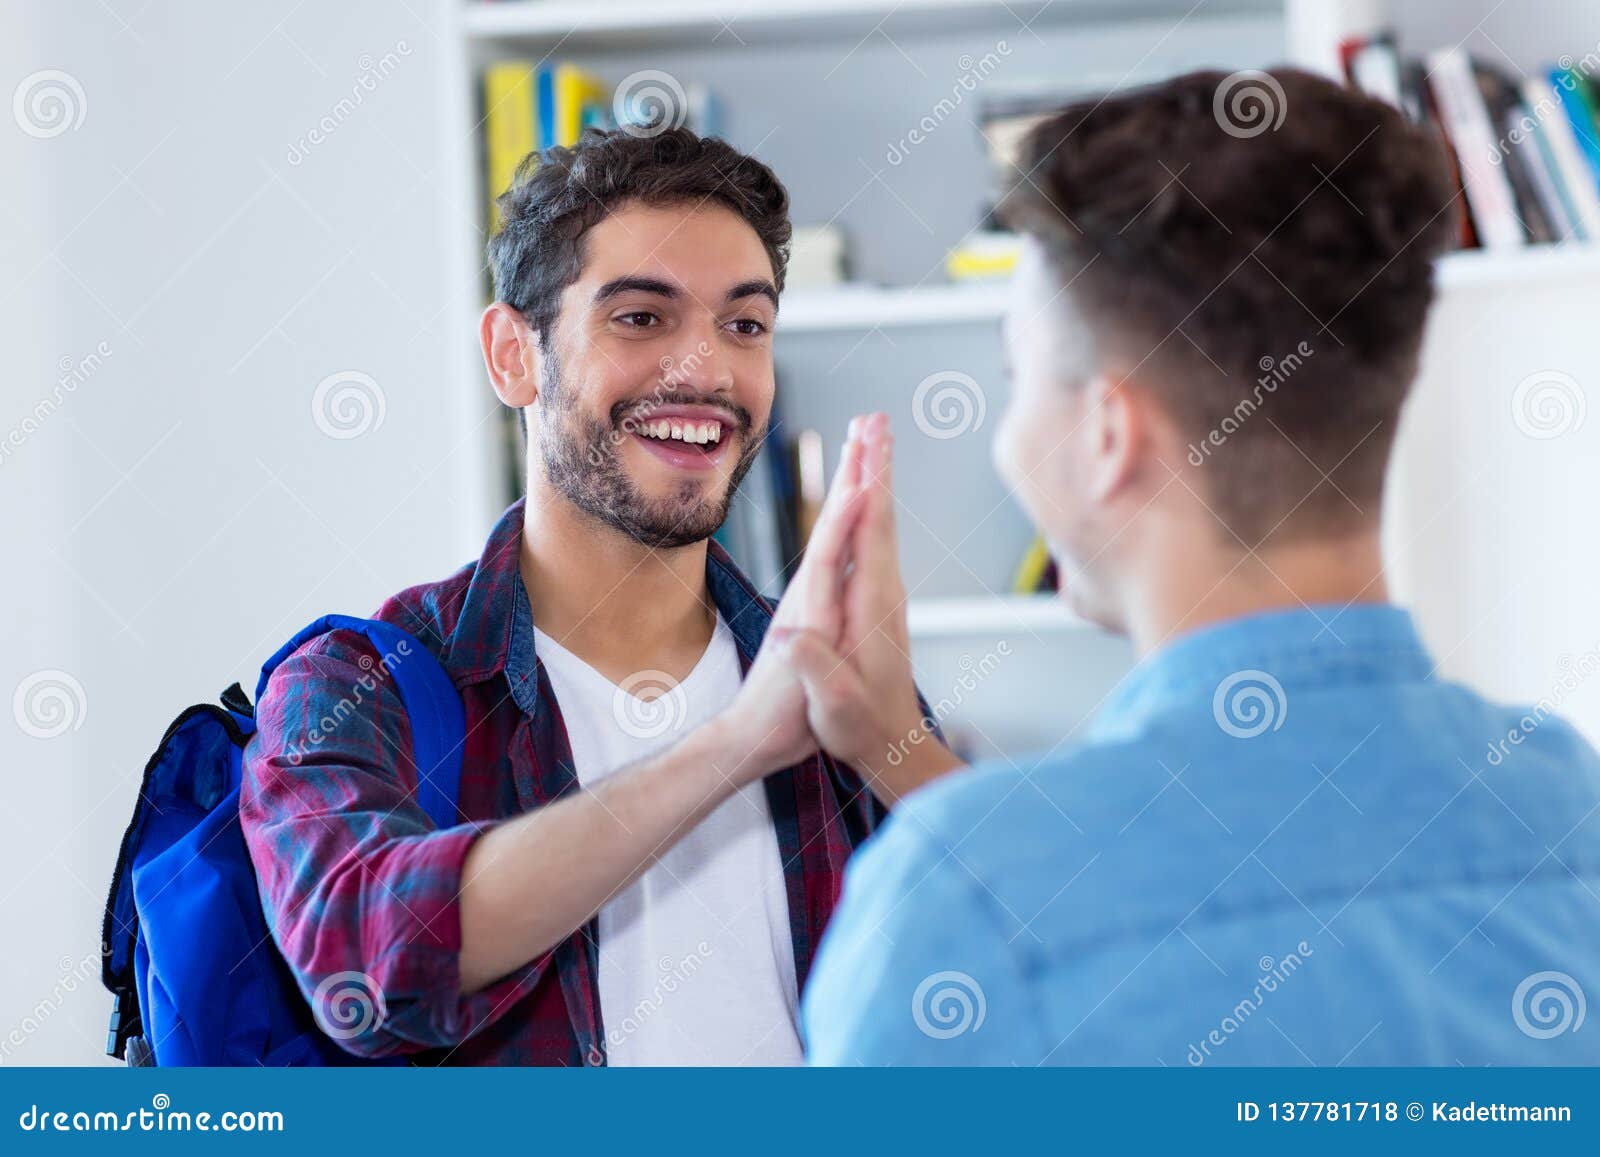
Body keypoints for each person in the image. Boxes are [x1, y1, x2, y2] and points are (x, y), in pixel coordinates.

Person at [791, 68, 1600, 1065]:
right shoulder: (1565, 809)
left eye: (1019, 379)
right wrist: (897, 752)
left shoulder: (959, 913)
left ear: (1105, 434)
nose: (1008, 435)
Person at [241, 127, 928, 1066]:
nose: (707, 372)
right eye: (642, 318)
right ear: (512, 355)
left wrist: (905, 747)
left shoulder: (832, 677)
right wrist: (733, 745)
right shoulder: (358, 682)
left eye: (745, 324)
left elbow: (1071, 973)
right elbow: (363, 965)